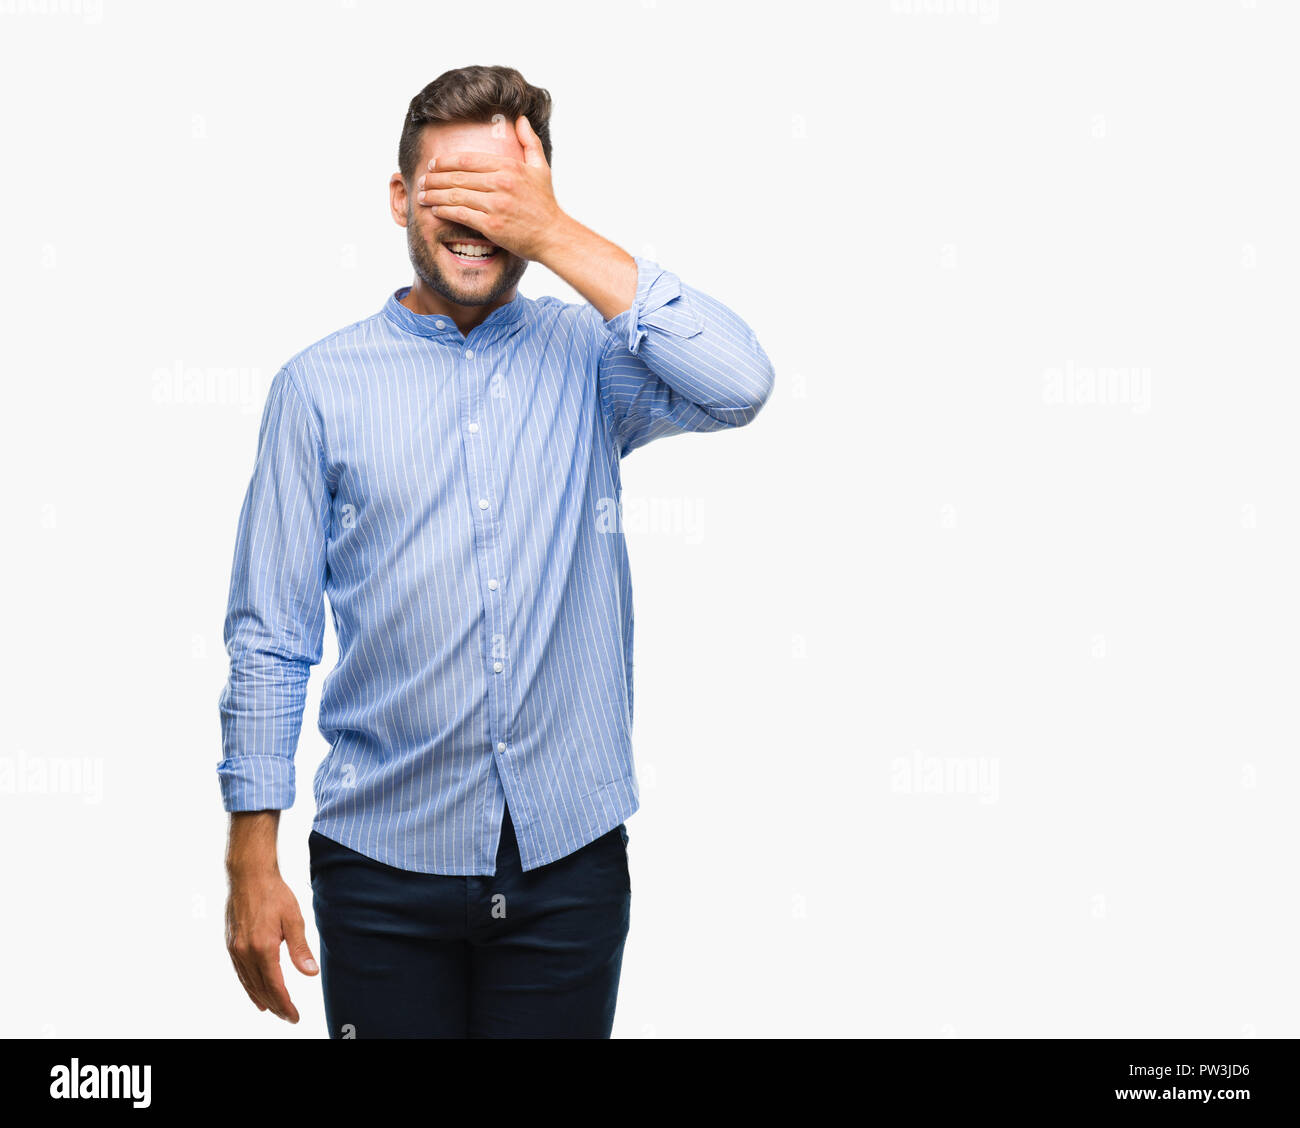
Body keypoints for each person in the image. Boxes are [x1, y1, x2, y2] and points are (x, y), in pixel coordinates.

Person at [218, 64, 774, 1038]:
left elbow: (738, 384)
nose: (481, 218)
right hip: (380, 866)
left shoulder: (595, 357)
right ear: (399, 199)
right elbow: (273, 633)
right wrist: (249, 857)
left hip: (568, 865)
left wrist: (553, 235)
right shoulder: (316, 386)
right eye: (451, 189)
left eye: (505, 195)